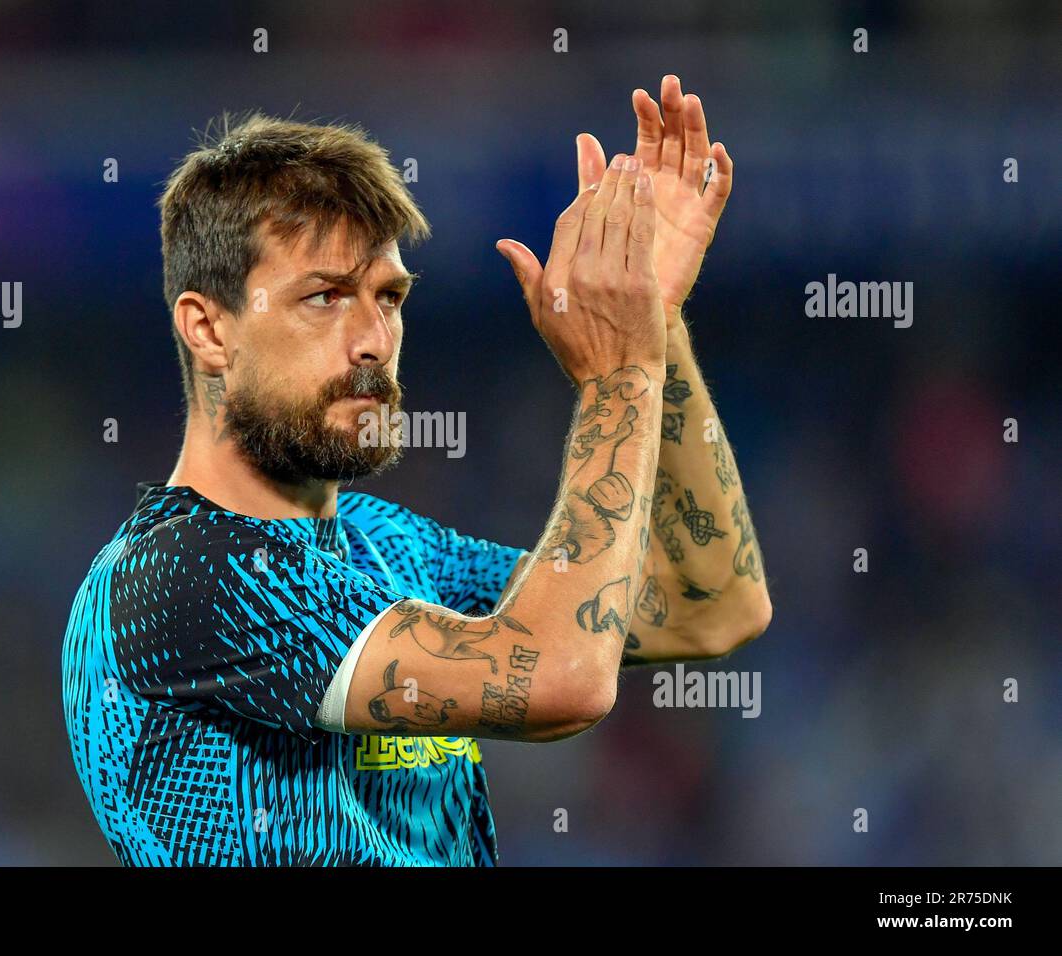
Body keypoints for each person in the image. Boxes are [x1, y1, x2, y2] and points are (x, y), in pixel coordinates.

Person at [62, 75, 771, 865]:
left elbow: (709, 607)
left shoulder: (387, 547)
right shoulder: (176, 576)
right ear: (207, 328)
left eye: (389, 297)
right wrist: (618, 376)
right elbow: (562, 681)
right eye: (325, 297)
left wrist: (655, 324)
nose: (372, 337)